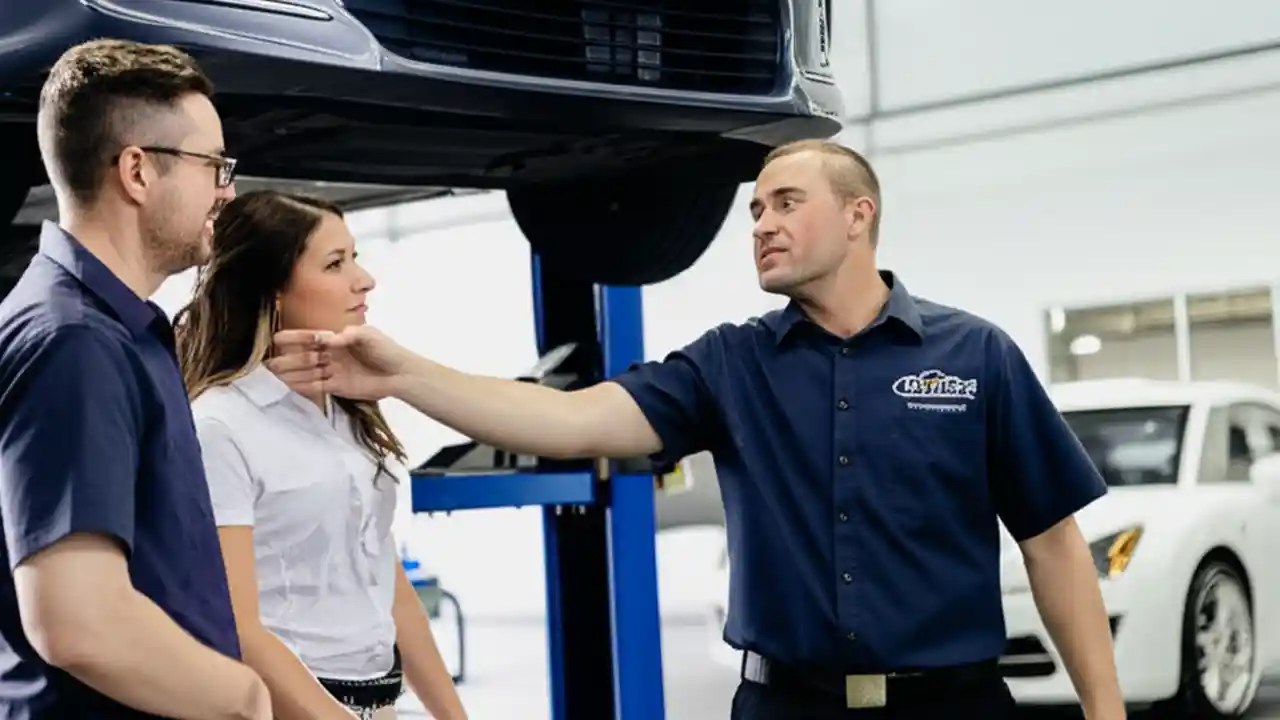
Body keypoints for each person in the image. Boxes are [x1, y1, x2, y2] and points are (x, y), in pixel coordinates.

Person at [269, 139, 1127, 719]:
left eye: (786, 204)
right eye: (755, 210)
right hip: (785, 704)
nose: (761, 225)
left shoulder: (975, 355)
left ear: (860, 215)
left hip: (955, 704)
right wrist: (404, 373)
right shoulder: (730, 364)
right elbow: (570, 421)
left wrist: (1106, 711)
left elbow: (1053, 545)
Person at [0, 39, 272, 719]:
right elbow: (79, 620)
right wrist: (242, 698)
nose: (226, 189)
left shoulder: (117, 331)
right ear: (138, 172)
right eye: (214, 165)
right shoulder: (75, 341)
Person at [171, 190, 467, 720]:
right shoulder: (221, 425)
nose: (364, 279)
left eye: (354, 257)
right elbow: (240, 626)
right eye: (336, 264)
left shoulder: (346, 409)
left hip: (379, 702)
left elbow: (389, 587)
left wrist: (453, 715)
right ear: (275, 293)